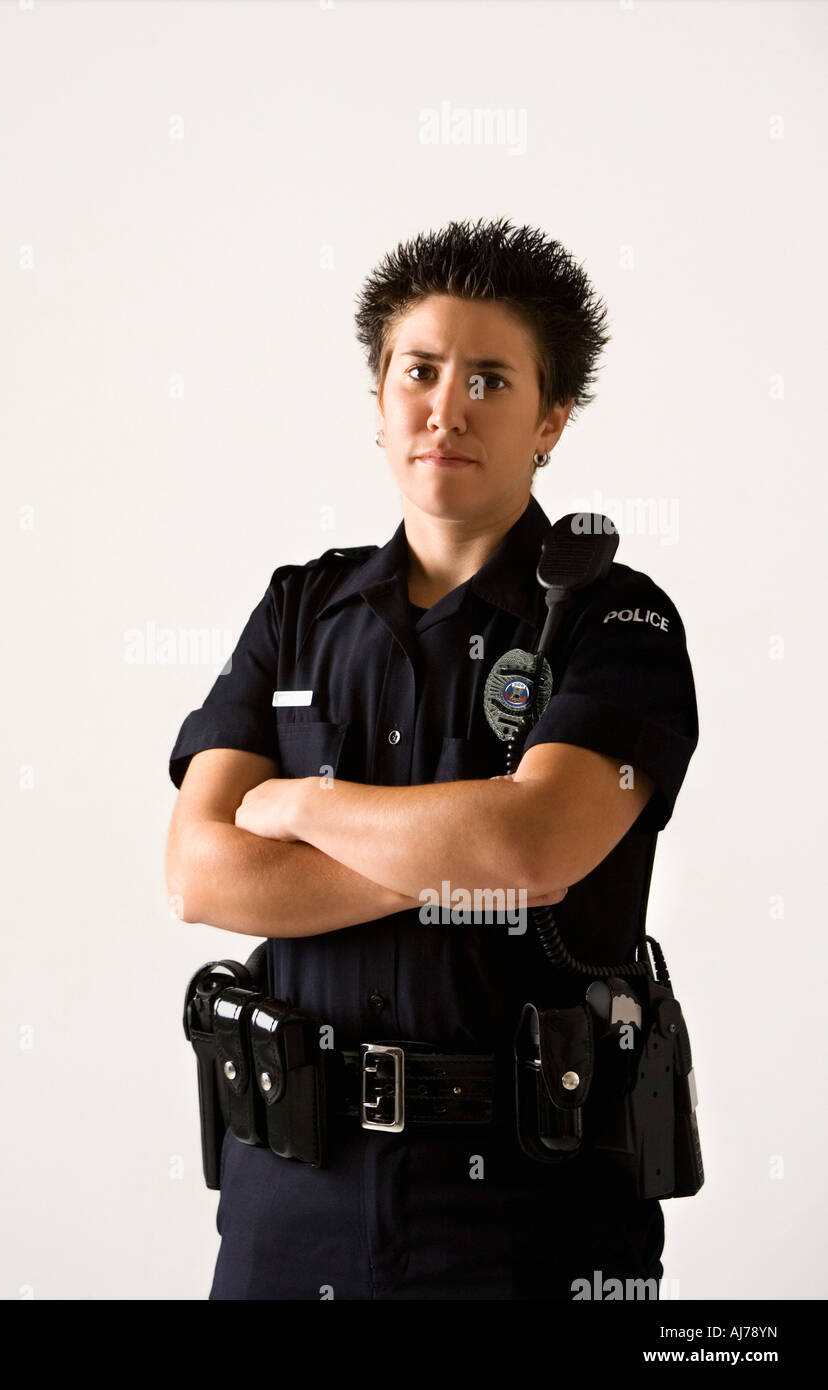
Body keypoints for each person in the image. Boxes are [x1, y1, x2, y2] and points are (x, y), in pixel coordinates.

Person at [164, 217, 700, 1300]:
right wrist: (450, 851)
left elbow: (526, 849)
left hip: (530, 1212)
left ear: (550, 419)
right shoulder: (294, 609)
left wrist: (290, 801)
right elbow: (199, 875)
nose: (446, 407)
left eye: (492, 380)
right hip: (290, 1199)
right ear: (377, 399)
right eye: (420, 370)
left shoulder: (618, 623)